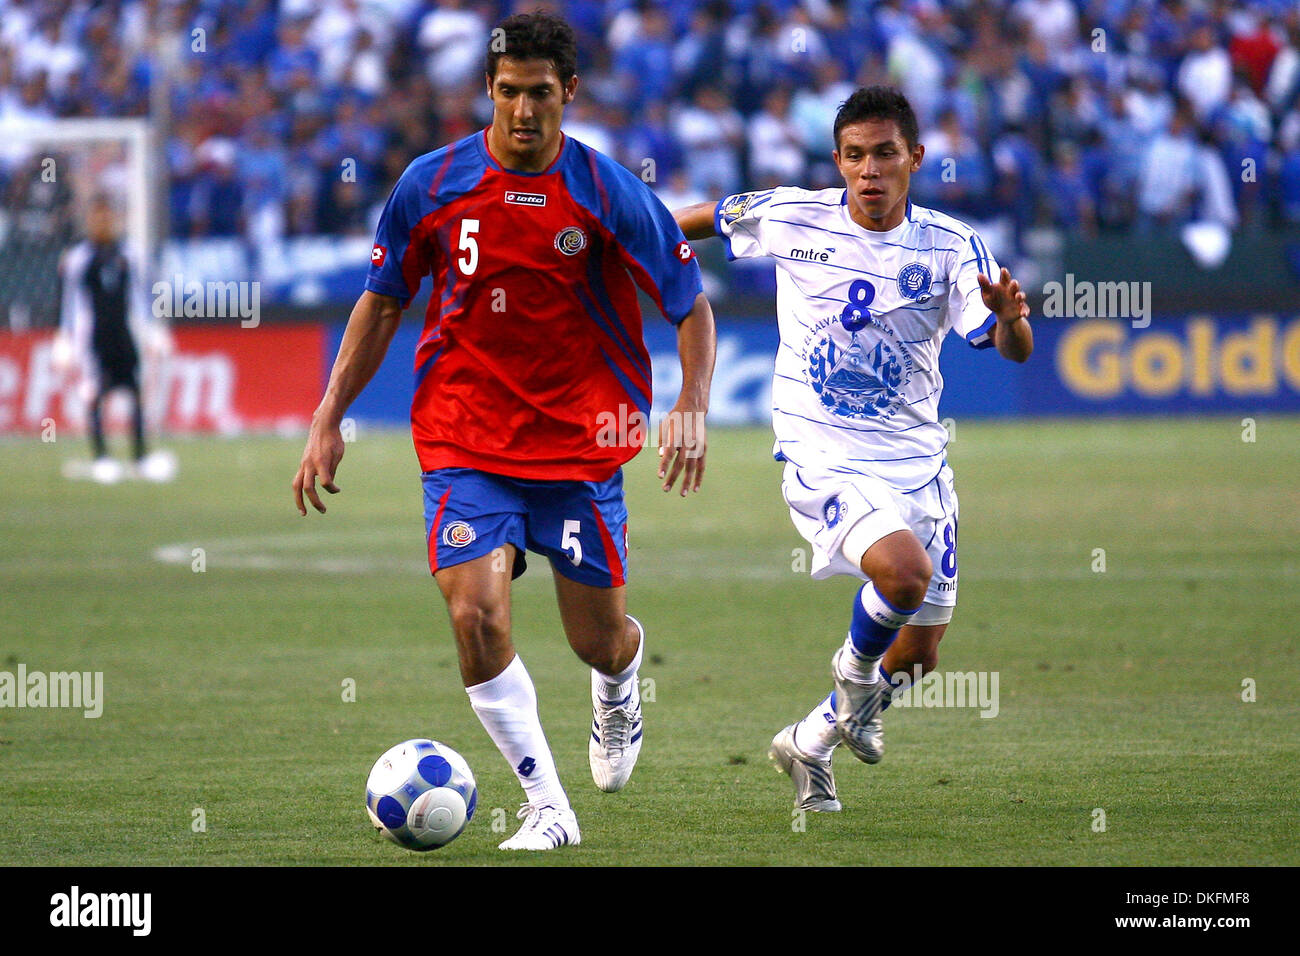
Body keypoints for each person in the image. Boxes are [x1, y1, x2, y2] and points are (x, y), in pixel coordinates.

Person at [292, 11, 715, 850]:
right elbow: (382, 304)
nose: (525, 112)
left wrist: (691, 401)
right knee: (476, 618)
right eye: (511, 93)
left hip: (578, 447)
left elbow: (690, 305)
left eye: (542, 95)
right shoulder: (432, 181)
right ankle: (549, 808)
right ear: (488, 88)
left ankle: (621, 681)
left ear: (571, 93)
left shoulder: (608, 192)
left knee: (596, 639)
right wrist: (327, 415)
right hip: (464, 439)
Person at [673, 86, 1031, 812]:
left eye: (886, 155)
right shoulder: (790, 213)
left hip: (918, 462)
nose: (870, 171)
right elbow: (697, 219)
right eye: (856, 156)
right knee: (901, 578)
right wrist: (617, 247)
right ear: (838, 160)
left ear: (916, 159)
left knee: (922, 655)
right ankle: (852, 675)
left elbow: (1012, 349)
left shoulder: (952, 246)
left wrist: (1012, 317)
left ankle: (811, 740)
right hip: (823, 447)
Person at [58, 194, 151, 482]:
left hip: (124, 333)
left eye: (107, 216)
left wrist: (150, 330)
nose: (103, 222)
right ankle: (101, 457)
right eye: (97, 217)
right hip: (94, 338)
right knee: (95, 396)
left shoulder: (129, 254)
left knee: (136, 393)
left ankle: (140, 458)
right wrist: (64, 337)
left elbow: (139, 296)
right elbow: (70, 302)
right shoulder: (79, 259)